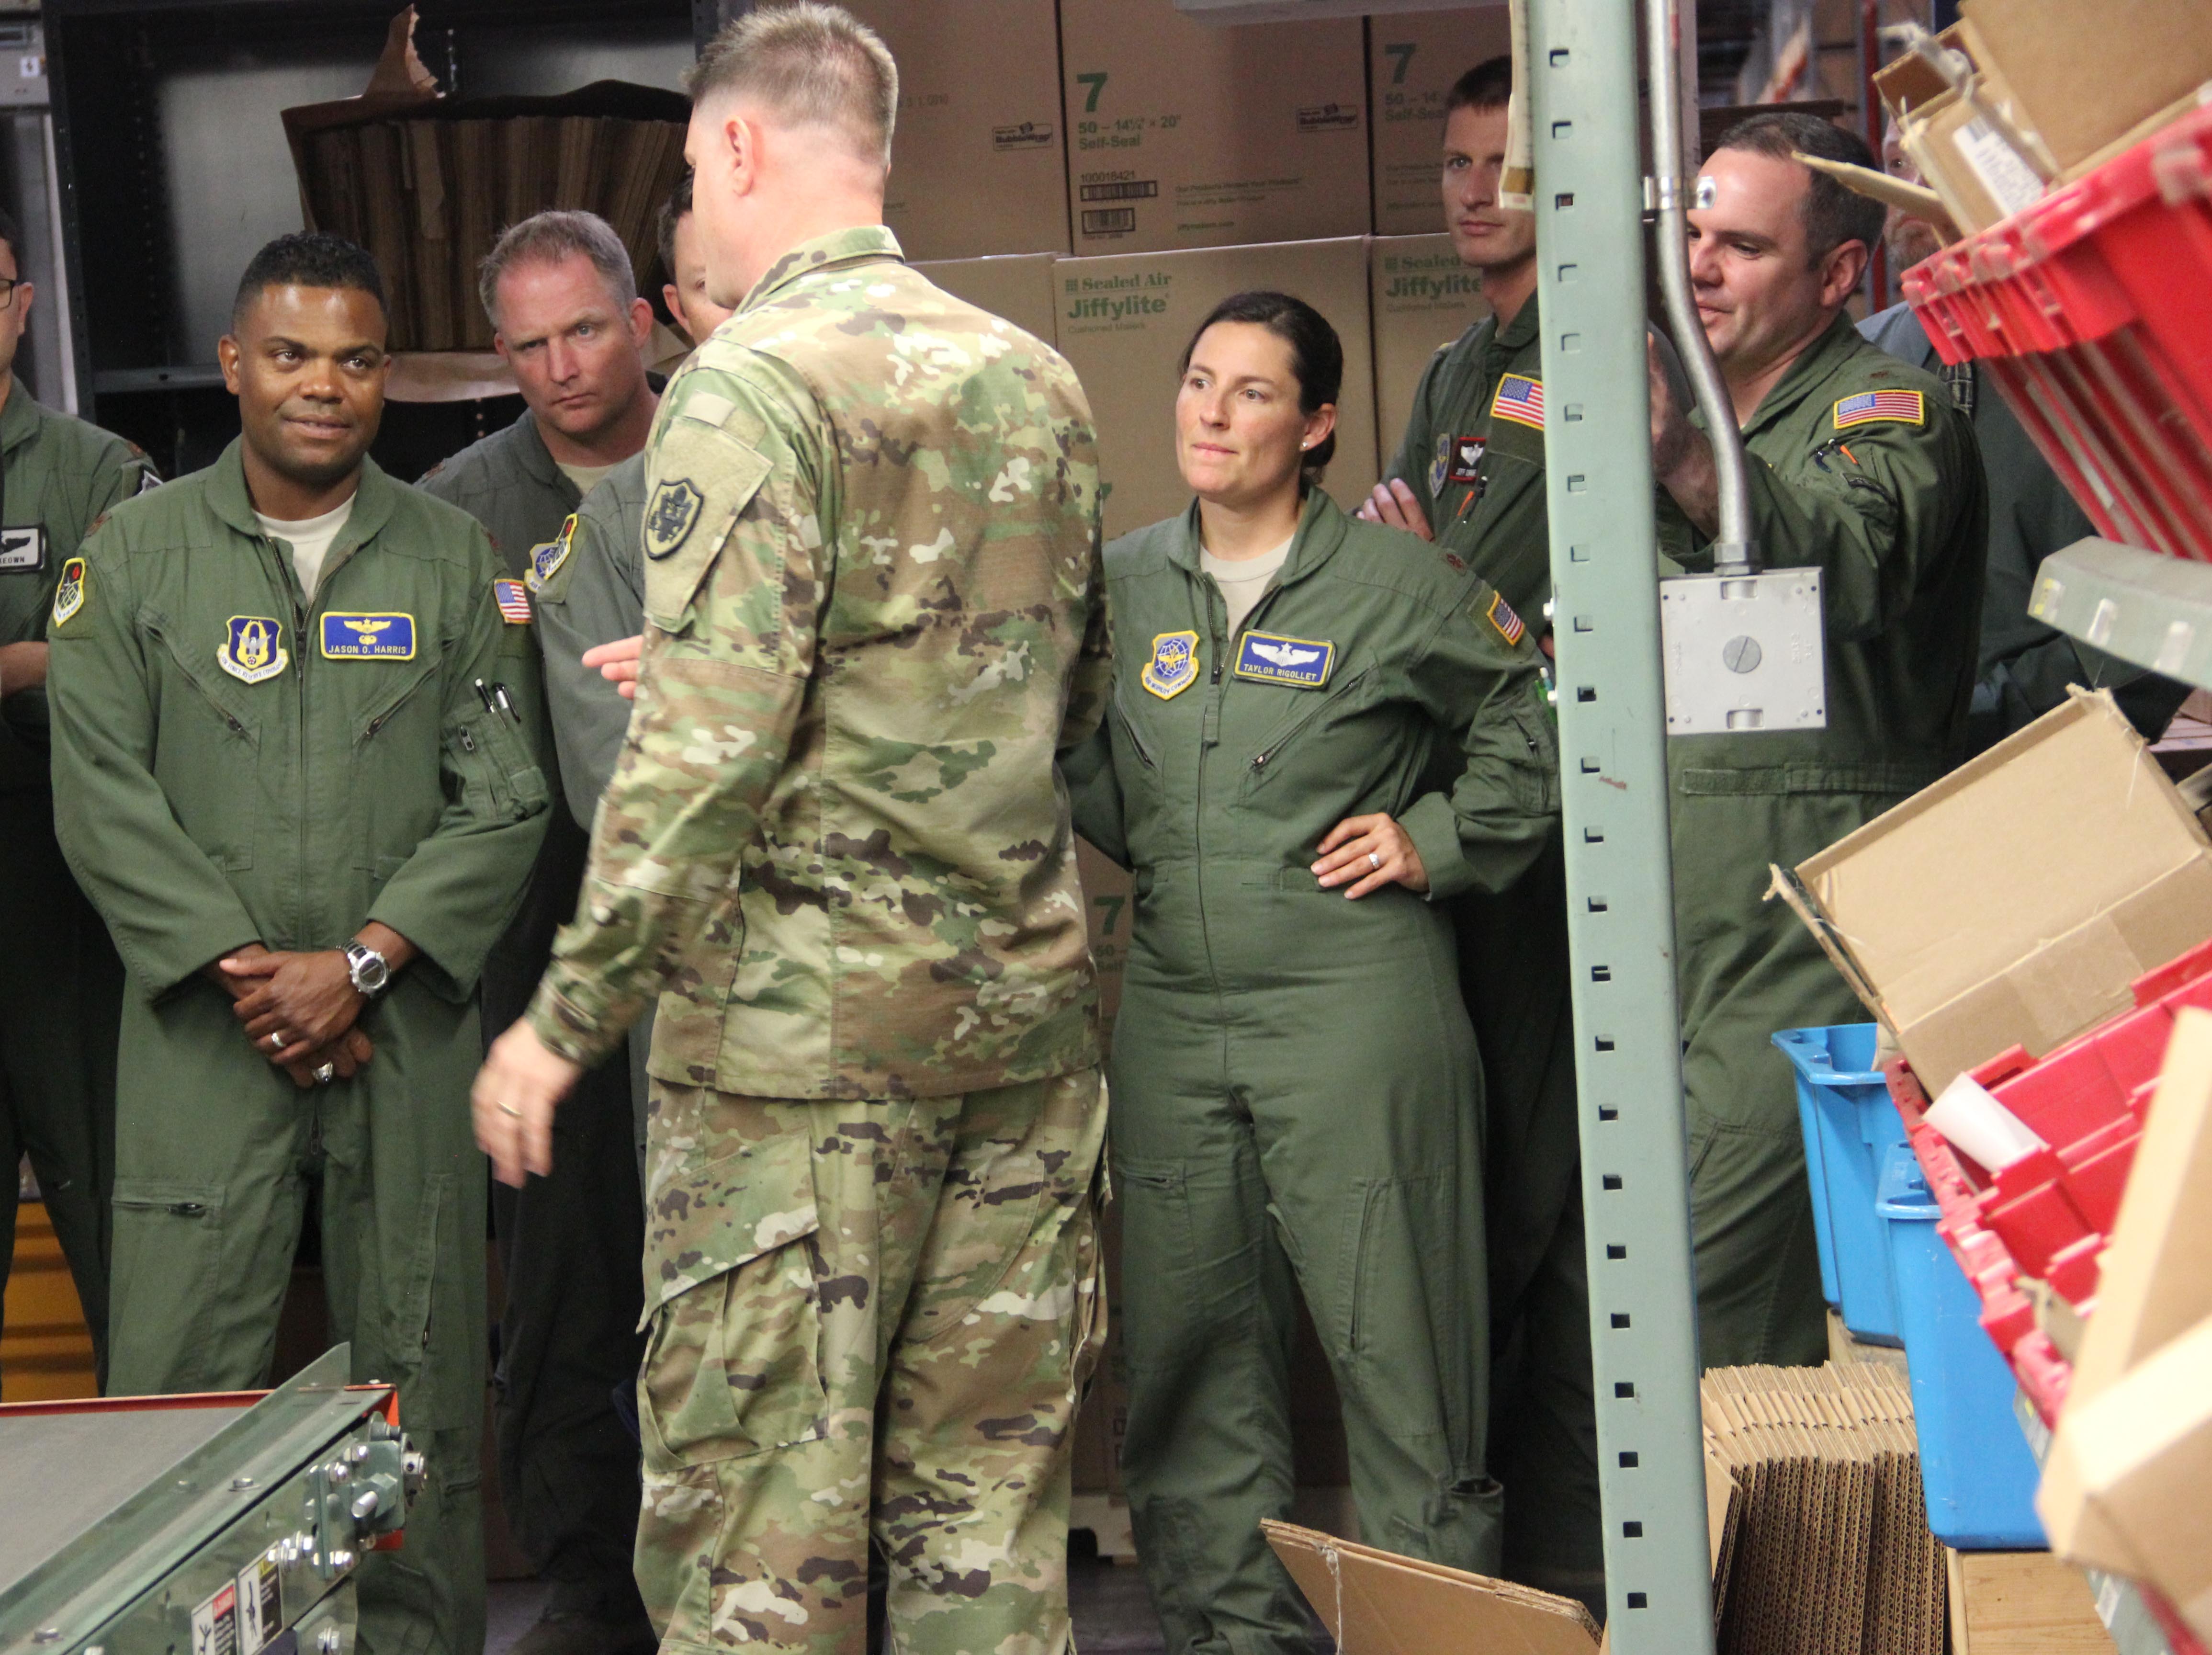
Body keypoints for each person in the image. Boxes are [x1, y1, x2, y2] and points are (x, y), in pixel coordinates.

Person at [470, 7, 1114, 1652]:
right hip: (1018, 1049)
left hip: (793, 1083)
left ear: (743, 149)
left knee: (770, 1560)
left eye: (692, 167)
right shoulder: (1035, 379)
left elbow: (699, 758)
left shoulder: (744, 391)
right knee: (985, 1546)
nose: (697, 196)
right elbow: (1070, 711)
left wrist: (563, 1020)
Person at [46, 231, 547, 1654]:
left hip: (399, 1032)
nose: (322, 387)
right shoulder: (133, 560)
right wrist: (242, 968)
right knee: (176, 1395)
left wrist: (366, 962)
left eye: (354, 359)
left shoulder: (454, 562)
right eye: (291, 355)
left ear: (383, 378)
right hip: (205, 1037)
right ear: (234, 365)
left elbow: (505, 800)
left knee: (422, 1387)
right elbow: (101, 795)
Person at [1068, 289, 1561, 1655]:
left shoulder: (1401, 586)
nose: (1213, 415)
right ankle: (1236, 1638)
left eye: (1254, 392)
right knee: (1186, 1367)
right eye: (1198, 383)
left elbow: (1538, 726)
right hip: (1171, 1015)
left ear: (1319, 423)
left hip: (1355, 1012)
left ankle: (1437, 1636)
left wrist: (1436, 837)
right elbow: (1096, 780)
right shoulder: (1119, 584)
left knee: (1403, 1363)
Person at [1647, 113, 1986, 1367]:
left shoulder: (1884, 408)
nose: (1699, 268)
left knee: (1697, 1300)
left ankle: (1738, 1566)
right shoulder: (1685, 418)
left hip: (1802, 939)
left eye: (1739, 246)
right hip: (1677, 928)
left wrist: (1683, 458)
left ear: (1837, 278)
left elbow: (1854, 560)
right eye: (1690, 235)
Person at [1355, 56, 1605, 1612]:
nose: (1470, 188)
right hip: (1466, 818)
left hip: (1560, 821)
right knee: (1496, 1191)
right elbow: (1410, 585)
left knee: (1565, 1202)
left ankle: (1586, 1554)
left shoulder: (1603, 356)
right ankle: (1502, 1563)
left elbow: (1541, 621)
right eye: (1455, 160)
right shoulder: (1460, 368)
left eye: (1502, 163)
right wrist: (1441, 592)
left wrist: (1443, 589)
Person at [418, 207, 661, 1655]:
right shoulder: (462, 507)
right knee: (566, 1272)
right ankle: (586, 1573)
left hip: (720, 930)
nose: (561, 367)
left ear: (639, 319)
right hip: (541, 941)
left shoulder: (730, 445)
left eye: (583, 329)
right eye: (528, 343)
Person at [1862, 124, 2187, 754]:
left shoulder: (2110, 361)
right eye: (1898, 163)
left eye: (1939, 161)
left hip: (2068, 755)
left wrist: (2001, 706)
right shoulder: (1869, 359)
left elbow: (2171, 591)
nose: (1913, 190)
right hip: (1891, 764)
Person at [0, 203, 158, 1391]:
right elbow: (53, 655)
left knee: (119, 1226)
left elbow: (112, 670)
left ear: (20, 302)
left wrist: (41, 666)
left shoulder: (94, 470)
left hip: (62, 893)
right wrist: (24, 659)